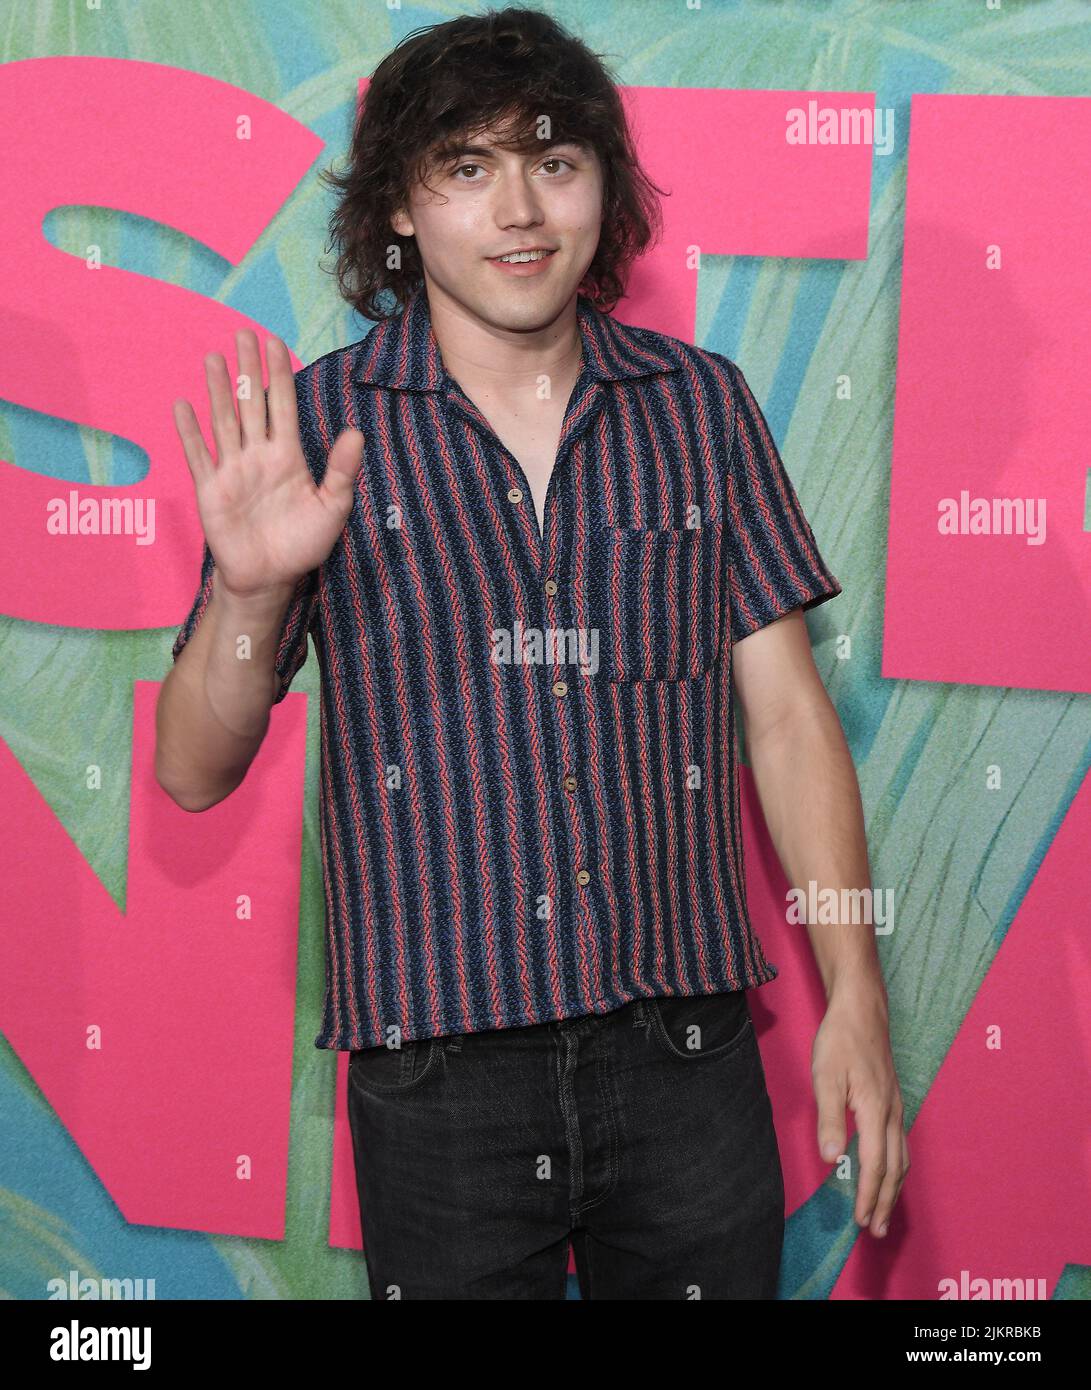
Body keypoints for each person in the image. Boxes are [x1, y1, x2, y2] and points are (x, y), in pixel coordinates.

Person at [157, 5, 908, 1299]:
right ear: (399, 205)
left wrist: (855, 987)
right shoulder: (317, 426)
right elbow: (186, 770)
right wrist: (248, 589)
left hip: (685, 1053)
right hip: (441, 1080)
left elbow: (784, 719)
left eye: (554, 162)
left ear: (603, 190)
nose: (520, 207)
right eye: (467, 166)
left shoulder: (701, 406)